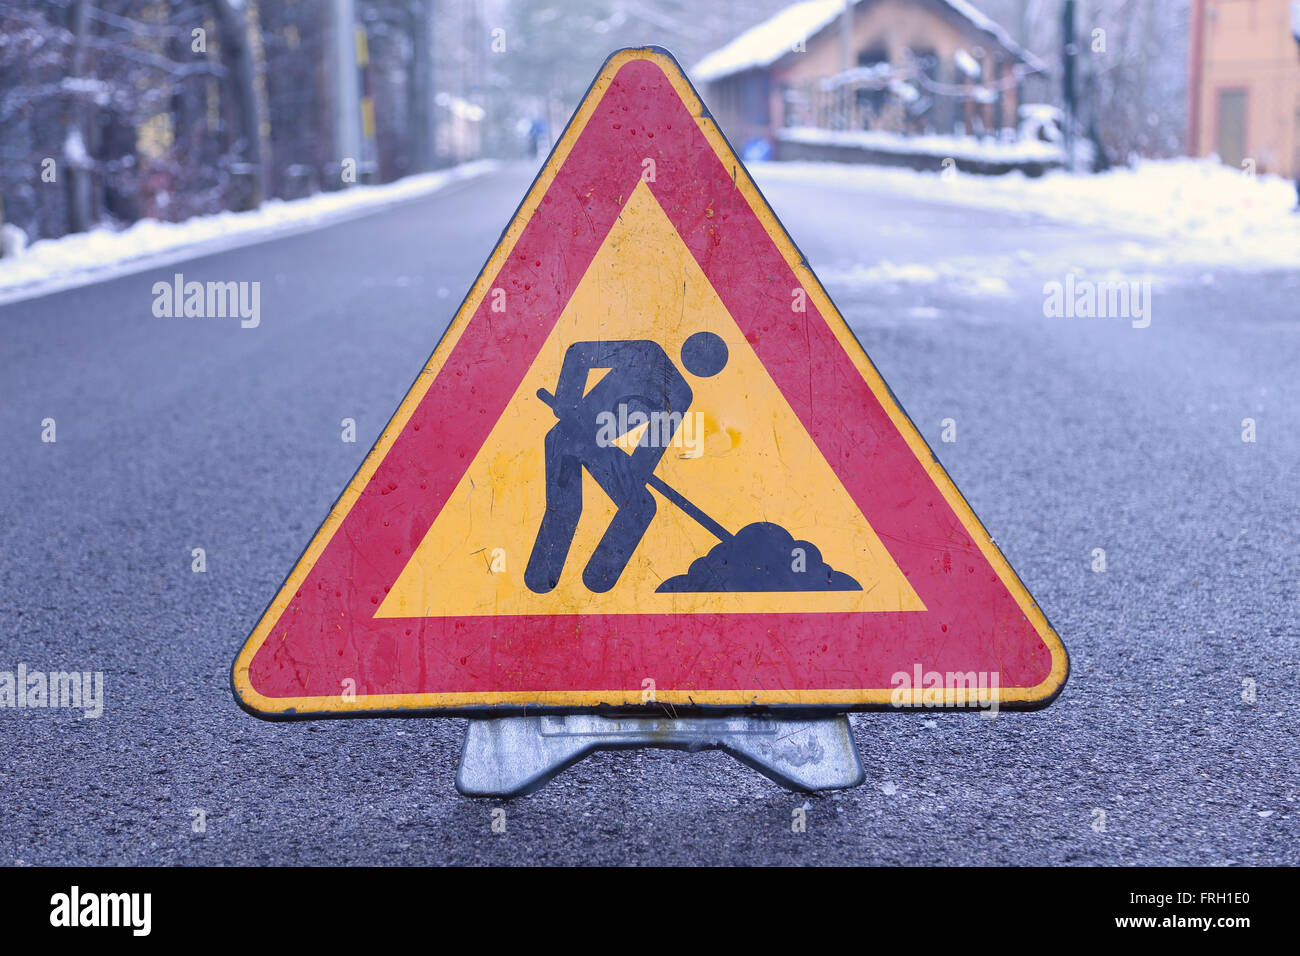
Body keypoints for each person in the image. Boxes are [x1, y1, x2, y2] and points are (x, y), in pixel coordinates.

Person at [525, 332, 728, 594]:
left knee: (640, 506)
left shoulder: (679, 395)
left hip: (597, 445)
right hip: (564, 437)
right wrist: (567, 401)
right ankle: (541, 578)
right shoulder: (647, 354)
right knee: (567, 506)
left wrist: (634, 473)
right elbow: (579, 353)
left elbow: (650, 450)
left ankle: (598, 579)